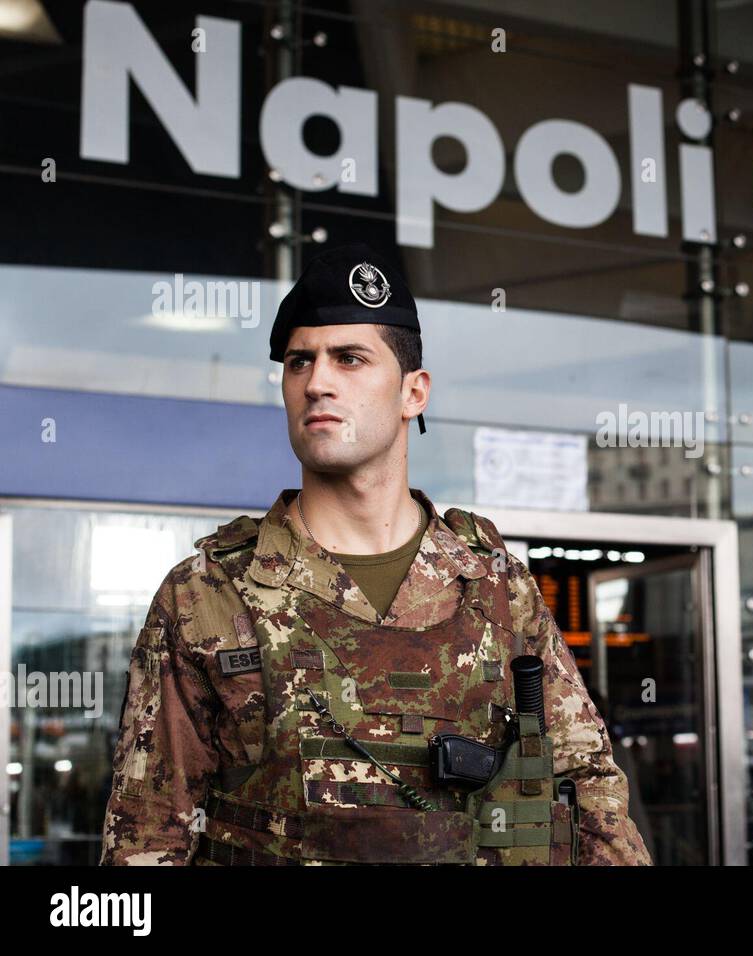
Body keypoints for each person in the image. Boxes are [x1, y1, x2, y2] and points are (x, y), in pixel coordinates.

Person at [99, 243, 652, 866]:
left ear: (413, 392)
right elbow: (147, 837)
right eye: (299, 362)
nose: (317, 382)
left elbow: (590, 796)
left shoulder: (498, 588)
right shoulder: (207, 594)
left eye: (350, 359)